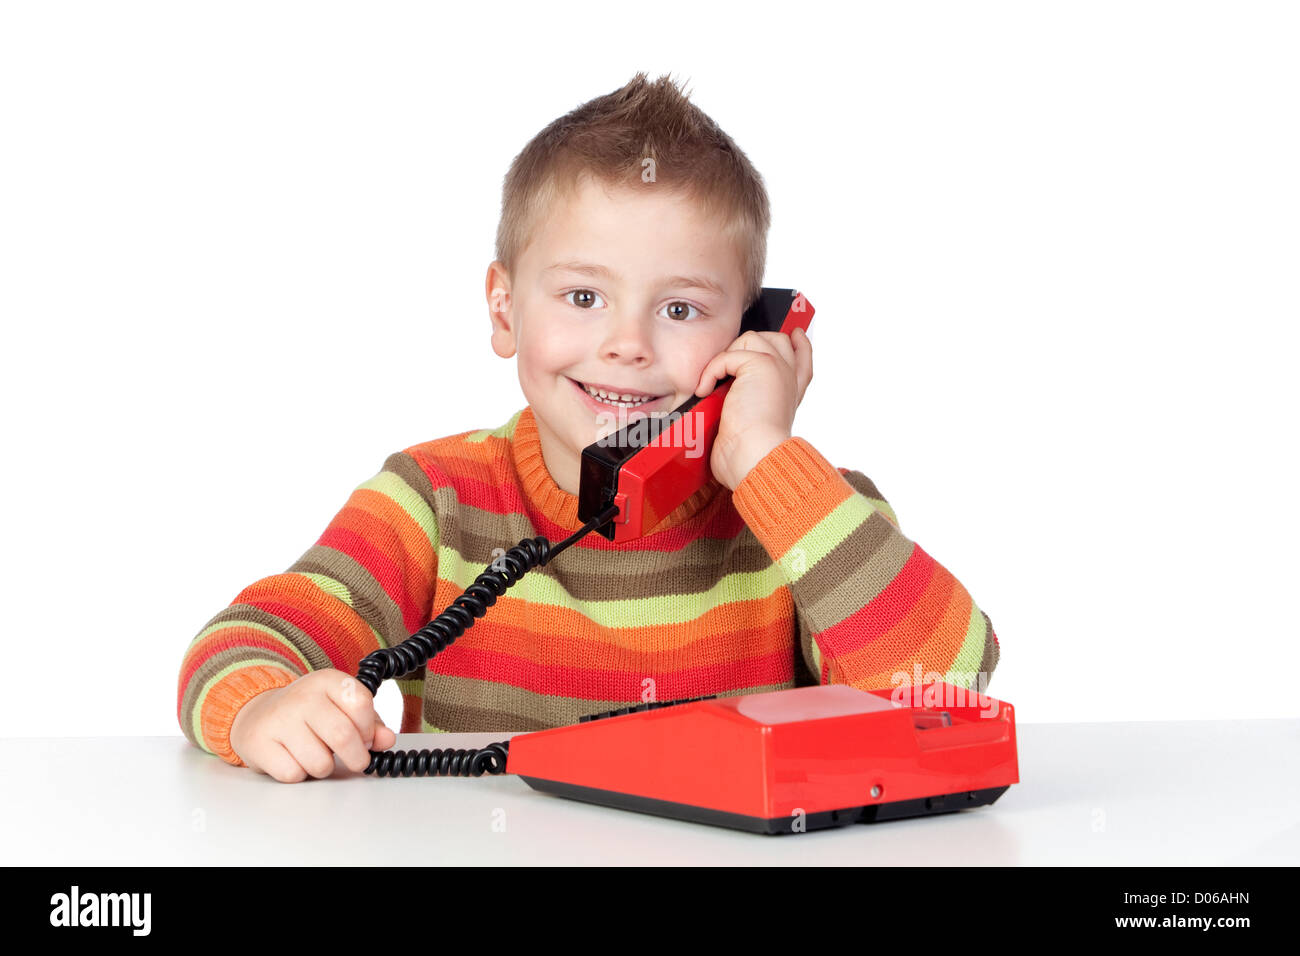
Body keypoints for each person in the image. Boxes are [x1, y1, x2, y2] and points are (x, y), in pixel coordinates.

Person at [176, 72, 1000, 783]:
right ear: (503, 309)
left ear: (753, 335)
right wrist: (264, 709)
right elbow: (245, 640)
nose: (629, 345)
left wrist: (761, 456)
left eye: (681, 308)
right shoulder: (437, 498)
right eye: (583, 297)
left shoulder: (809, 514)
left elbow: (947, 679)